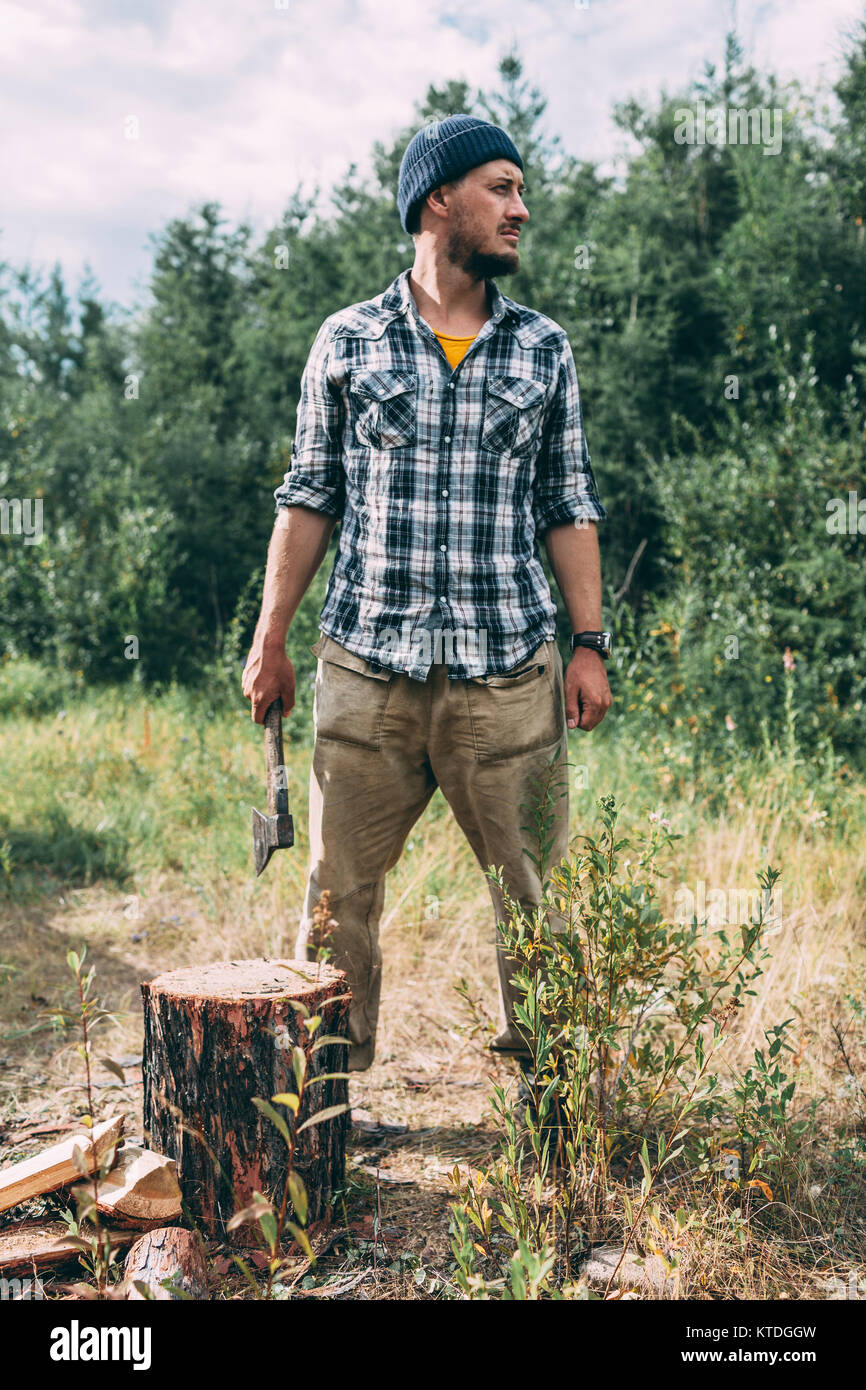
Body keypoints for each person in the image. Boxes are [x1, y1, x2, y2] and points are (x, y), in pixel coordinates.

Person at [242, 114, 611, 1074]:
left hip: (507, 678)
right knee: (335, 901)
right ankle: (317, 1112)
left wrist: (589, 643)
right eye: (502, 187)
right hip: (369, 666)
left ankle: (554, 1110)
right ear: (438, 200)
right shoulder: (349, 340)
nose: (521, 210)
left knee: (535, 899)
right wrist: (271, 636)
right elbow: (309, 493)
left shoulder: (542, 349)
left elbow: (568, 501)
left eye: (522, 191)